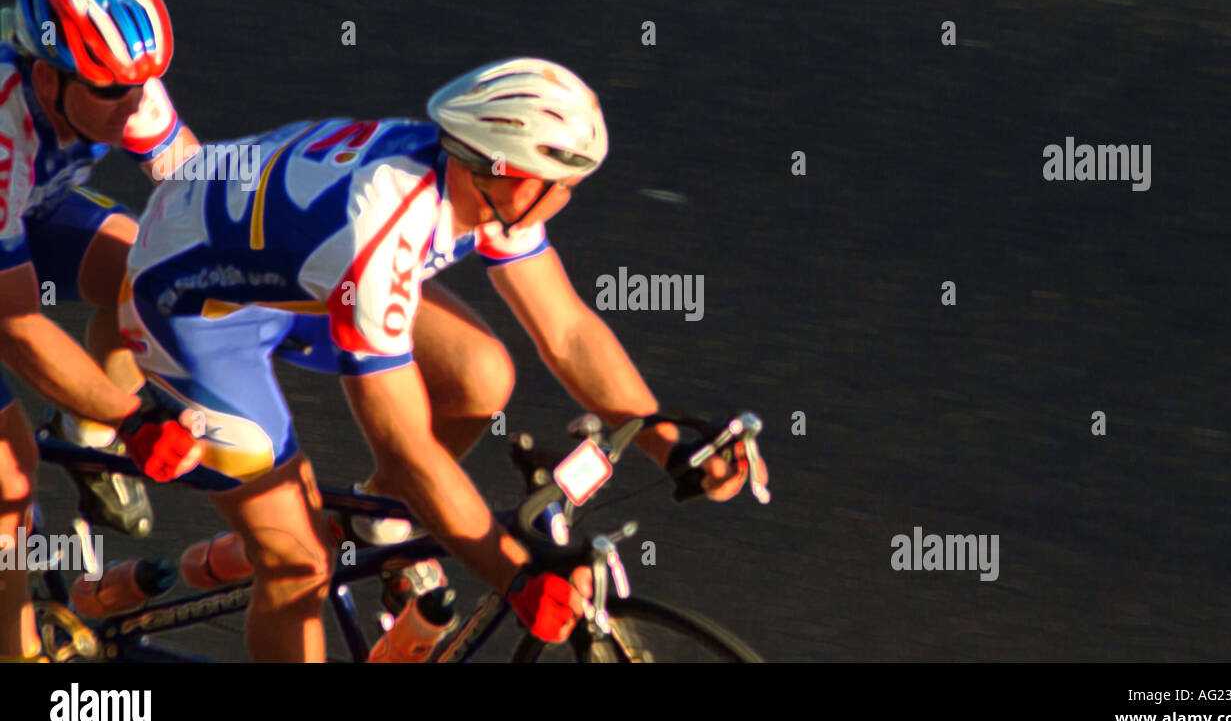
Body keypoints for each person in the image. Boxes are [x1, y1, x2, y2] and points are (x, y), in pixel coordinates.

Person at [119, 57, 766, 661]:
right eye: (562, 184)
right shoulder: (385, 226)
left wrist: (669, 442)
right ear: (504, 172)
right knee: (300, 564)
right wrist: (515, 574)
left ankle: (371, 527)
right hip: (190, 308)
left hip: (294, 272)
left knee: (481, 375)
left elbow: (567, 329)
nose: (569, 198)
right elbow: (403, 443)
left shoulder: (476, 176)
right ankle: (297, 543)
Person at [0, 0, 203, 662]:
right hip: (7, 210)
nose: (137, 105)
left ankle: (85, 440)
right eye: (114, 93)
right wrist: (138, 413)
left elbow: (201, 205)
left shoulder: (123, 80)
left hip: (30, 203)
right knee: (10, 474)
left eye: (145, 85)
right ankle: (17, 649)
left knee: (150, 273)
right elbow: (17, 326)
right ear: (48, 78)